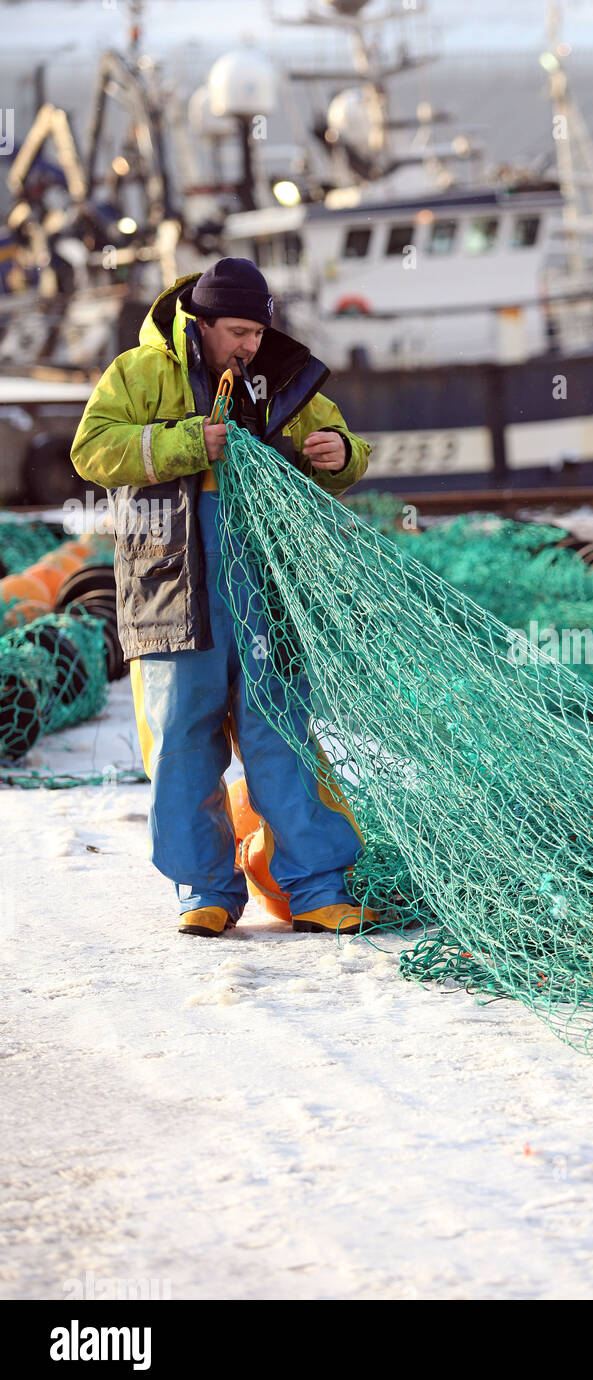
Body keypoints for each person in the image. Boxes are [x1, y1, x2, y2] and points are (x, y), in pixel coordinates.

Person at [72, 257, 377, 938]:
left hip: (264, 585)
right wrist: (186, 443)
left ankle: (317, 889)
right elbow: (90, 450)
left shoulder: (281, 372)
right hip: (173, 588)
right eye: (238, 331)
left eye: (257, 332)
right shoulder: (138, 373)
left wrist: (341, 453)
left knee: (280, 735)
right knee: (182, 738)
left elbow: (341, 447)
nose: (251, 346)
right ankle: (204, 890)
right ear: (201, 323)